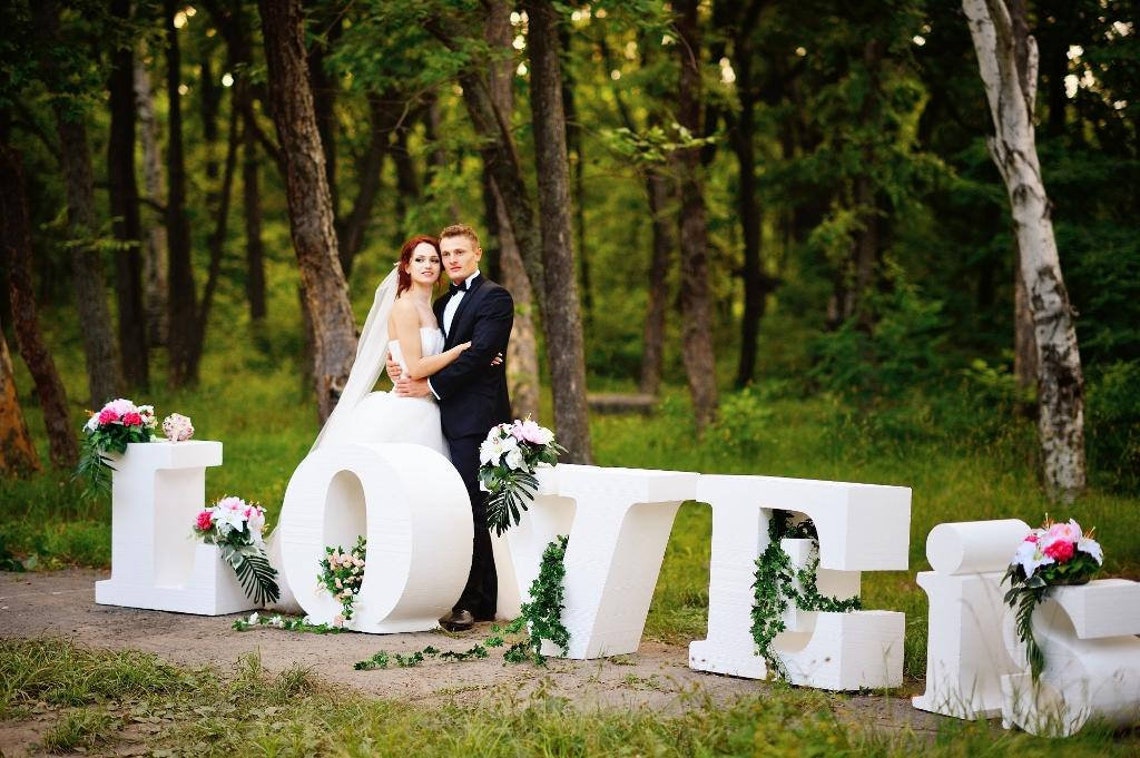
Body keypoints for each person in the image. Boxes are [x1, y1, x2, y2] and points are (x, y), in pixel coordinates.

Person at [265, 234, 471, 613]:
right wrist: (460, 352)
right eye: (420, 260)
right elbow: (414, 367)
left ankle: (422, 582)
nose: (428, 265)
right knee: (390, 500)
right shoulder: (404, 307)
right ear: (406, 267)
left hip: (431, 407)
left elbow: (414, 363)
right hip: (408, 411)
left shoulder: (436, 308)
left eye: (434, 260)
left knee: (426, 505)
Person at [393, 223, 514, 632]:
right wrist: (400, 365)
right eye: (447, 255)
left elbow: (482, 352)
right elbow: (429, 353)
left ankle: (469, 601)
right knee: (451, 506)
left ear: (477, 253)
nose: (452, 260)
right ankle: (478, 597)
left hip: (475, 418)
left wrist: (430, 386)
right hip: (439, 418)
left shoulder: (495, 297)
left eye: (460, 252)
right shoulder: (440, 303)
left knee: (472, 506)